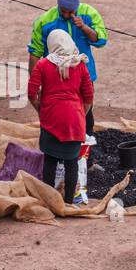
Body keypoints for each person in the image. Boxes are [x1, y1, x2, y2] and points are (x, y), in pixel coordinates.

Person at [27, 29, 93, 205]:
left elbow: (31, 92)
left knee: (50, 161)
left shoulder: (43, 65)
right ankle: (69, 202)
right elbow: (89, 97)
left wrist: (41, 111)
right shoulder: (79, 64)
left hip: (51, 119)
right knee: (72, 163)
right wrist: (80, 115)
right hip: (74, 121)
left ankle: (50, 202)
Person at [28, 0, 107, 82]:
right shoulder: (44, 22)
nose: (66, 15)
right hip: (55, 77)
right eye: (63, 11)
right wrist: (35, 82)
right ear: (58, 5)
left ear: (77, 6)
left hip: (83, 75)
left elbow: (101, 41)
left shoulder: (89, 13)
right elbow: (35, 53)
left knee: (86, 96)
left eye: (70, 12)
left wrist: (84, 27)